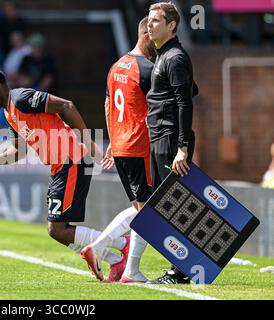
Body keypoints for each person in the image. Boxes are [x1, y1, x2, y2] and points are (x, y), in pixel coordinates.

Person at [0, 68, 129, 281]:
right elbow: (20, 150)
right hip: (60, 167)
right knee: (57, 229)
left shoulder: (21, 99)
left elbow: (67, 105)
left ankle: (121, 248)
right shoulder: (9, 114)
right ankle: (116, 255)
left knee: (56, 229)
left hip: (72, 160)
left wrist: (89, 143)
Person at [80, 16, 157, 283]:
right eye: (155, 38)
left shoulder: (116, 66)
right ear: (146, 35)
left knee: (141, 207)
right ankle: (126, 267)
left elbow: (107, 104)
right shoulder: (146, 68)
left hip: (121, 144)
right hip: (139, 145)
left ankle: (101, 249)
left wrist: (113, 139)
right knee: (149, 209)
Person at [145, 2, 198, 284]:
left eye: (155, 20)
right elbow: (191, 89)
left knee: (174, 205)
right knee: (164, 205)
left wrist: (182, 147)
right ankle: (177, 267)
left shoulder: (175, 56)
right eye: (149, 20)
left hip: (170, 139)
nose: (149, 25)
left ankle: (181, 271)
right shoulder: (164, 55)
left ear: (172, 25)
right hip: (160, 137)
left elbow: (185, 102)